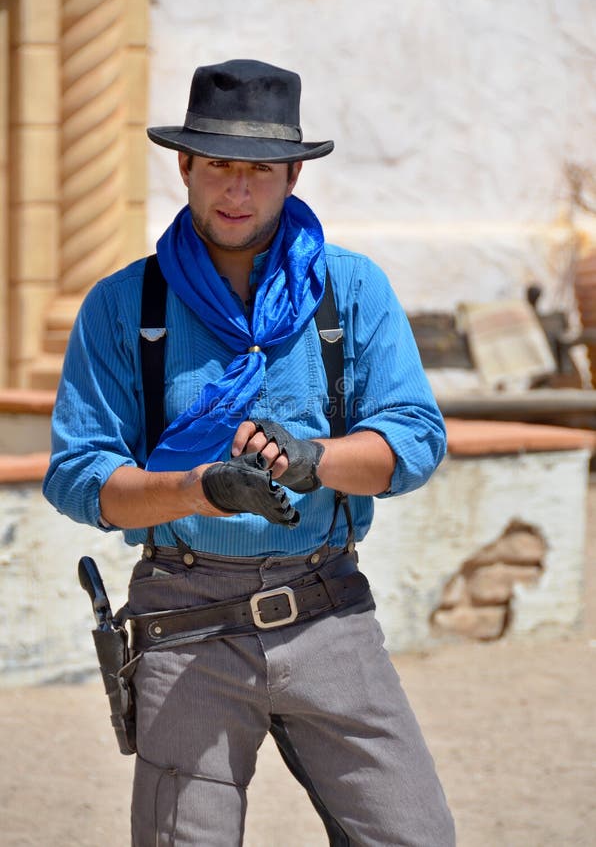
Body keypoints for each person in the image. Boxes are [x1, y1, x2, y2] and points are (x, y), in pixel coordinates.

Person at [44, 59, 455, 846]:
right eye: (220, 167)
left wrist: (313, 460)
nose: (238, 191)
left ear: (295, 173)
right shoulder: (123, 305)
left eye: (261, 170)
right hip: (183, 619)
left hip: (329, 609)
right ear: (185, 166)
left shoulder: (353, 292)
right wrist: (199, 490)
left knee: (417, 836)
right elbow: (78, 475)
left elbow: (413, 437)